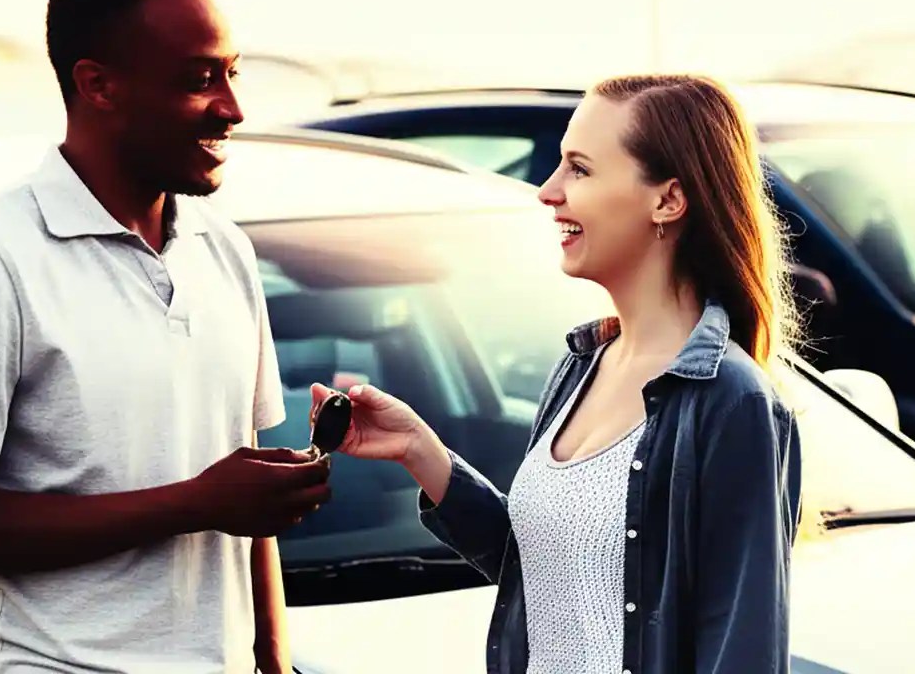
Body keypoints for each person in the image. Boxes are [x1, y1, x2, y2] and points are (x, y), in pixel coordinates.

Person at [0, 0, 330, 672]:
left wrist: (274, 663)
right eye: (198, 79)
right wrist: (196, 502)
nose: (232, 107)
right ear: (98, 85)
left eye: (232, 72)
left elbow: (247, 515)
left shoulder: (224, 250)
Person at [312, 74, 804, 673]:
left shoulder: (731, 402)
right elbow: (548, 577)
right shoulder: (580, 366)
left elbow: (742, 652)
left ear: (667, 201)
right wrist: (421, 452)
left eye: (580, 168)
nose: (548, 191)